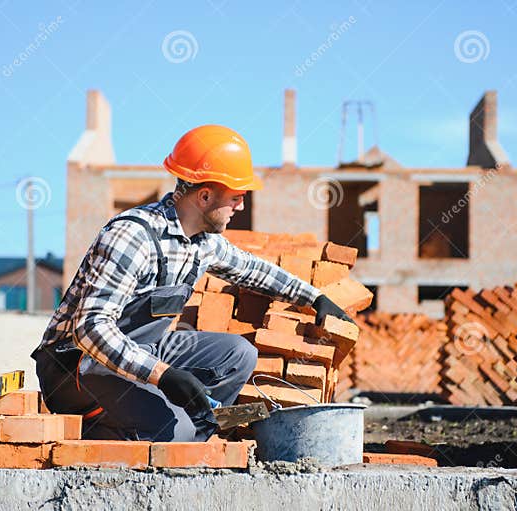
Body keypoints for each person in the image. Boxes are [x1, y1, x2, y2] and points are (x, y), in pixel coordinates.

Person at [32, 124, 352, 442]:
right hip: (77, 367)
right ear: (204, 196)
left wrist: (314, 298)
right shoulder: (133, 236)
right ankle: (101, 435)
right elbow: (91, 329)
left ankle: (185, 438)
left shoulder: (203, 242)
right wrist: (163, 375)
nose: (240, 207)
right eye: (236, 198)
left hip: (138, 351)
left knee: (238, 354)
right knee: (174, 428)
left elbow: (254, 269)